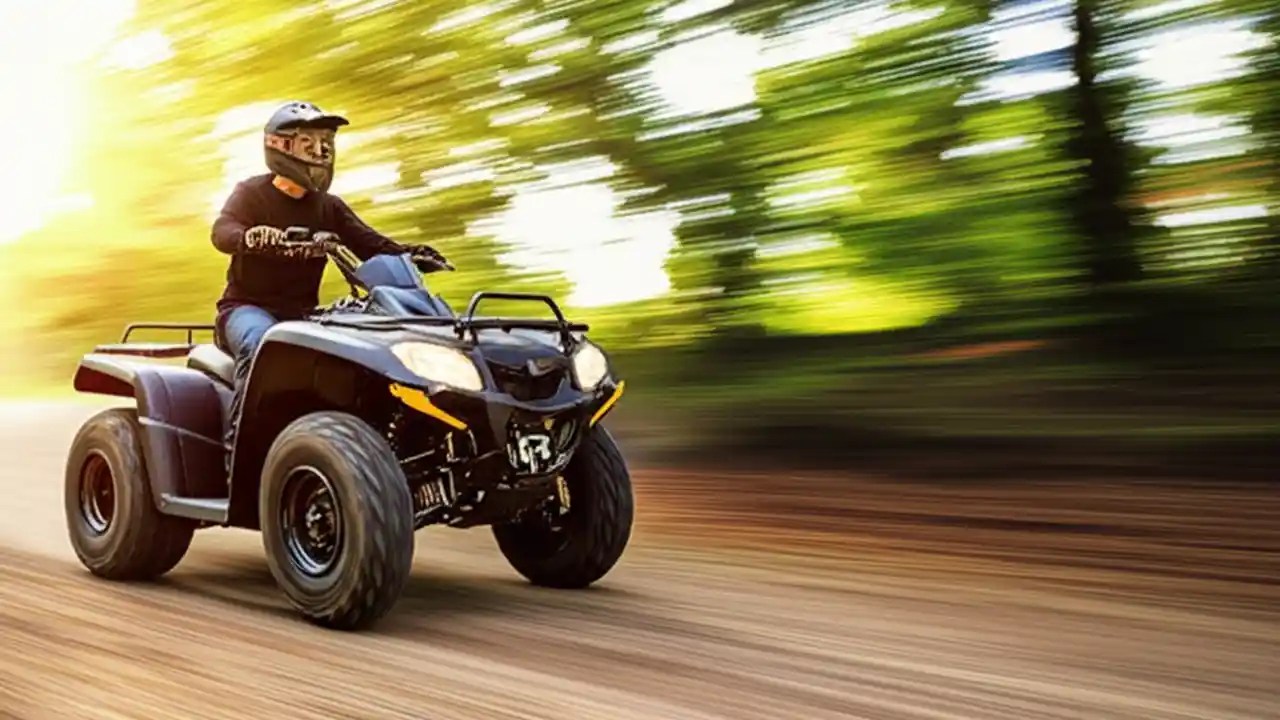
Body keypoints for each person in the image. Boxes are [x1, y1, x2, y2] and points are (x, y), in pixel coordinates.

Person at [210, 100, 446, 461]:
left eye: (326, 144)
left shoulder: (329, 207)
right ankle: (241, 455)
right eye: (311, 143)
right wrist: (250, 236)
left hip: (303, 316)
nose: (321, 152)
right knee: (262, 344)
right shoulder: (251, 193)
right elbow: (222, 231)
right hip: (246, 309)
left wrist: (409, 255)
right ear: (281, 146)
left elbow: (371, 243)